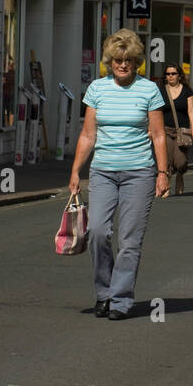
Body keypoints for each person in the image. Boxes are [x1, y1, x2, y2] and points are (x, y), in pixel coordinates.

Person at [69, 29, 170, 321]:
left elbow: (158, 135)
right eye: (117, 60)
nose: (122, 65)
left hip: (139, 172)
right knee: (98, 232)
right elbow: (88, 135)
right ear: (109, 61)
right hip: (102, 171)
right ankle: (104, 293)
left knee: (129, 240)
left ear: (136, 61)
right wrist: (76, 170)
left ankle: (121, 299)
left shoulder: (149, 90)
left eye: (128, 60)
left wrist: (162, 173)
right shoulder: (97, 89)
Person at [158, 63, 193, 196]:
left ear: (179, 75)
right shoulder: (161, 91)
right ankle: (166, 185)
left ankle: (180, 175)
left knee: (181, 161)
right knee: (167, 159)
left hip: (182, 131)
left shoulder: (187, 90)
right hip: (165, 130)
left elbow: (191, 110)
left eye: (173, 74)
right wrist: (152, 129)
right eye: (168, 74)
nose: (170, 76)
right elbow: (155, 111)